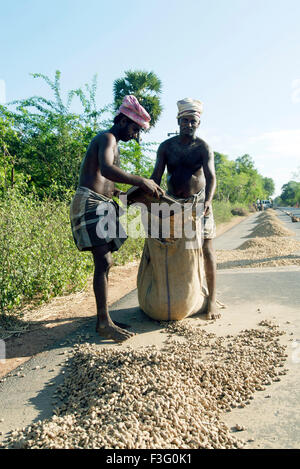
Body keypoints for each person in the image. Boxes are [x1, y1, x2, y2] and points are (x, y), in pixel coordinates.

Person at [70, 95, 164, 342]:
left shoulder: (113, 142)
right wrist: (141, 180)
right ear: (122, 120)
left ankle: (105, 319)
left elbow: (109, 182)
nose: (136, 135)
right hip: (90, 202)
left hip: (101, 203)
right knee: (103, 261)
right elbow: (108, 169)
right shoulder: (107, 138)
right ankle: (103, 322)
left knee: (106, 261)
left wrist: (130, 195)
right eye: (135, 129)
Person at [150, 97, 219, 320]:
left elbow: (211, 178)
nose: (189, 125)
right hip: (173, 206)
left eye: (193, 121)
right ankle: (180, 299)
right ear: (178, 121)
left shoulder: (203, 147)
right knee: (176, 251)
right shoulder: (166, 147)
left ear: (198, 123)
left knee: (206, 250)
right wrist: (147, 200)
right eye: (185, 121)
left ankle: (212, 301)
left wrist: (207, 202)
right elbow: (155, 178)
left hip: (199, 204)